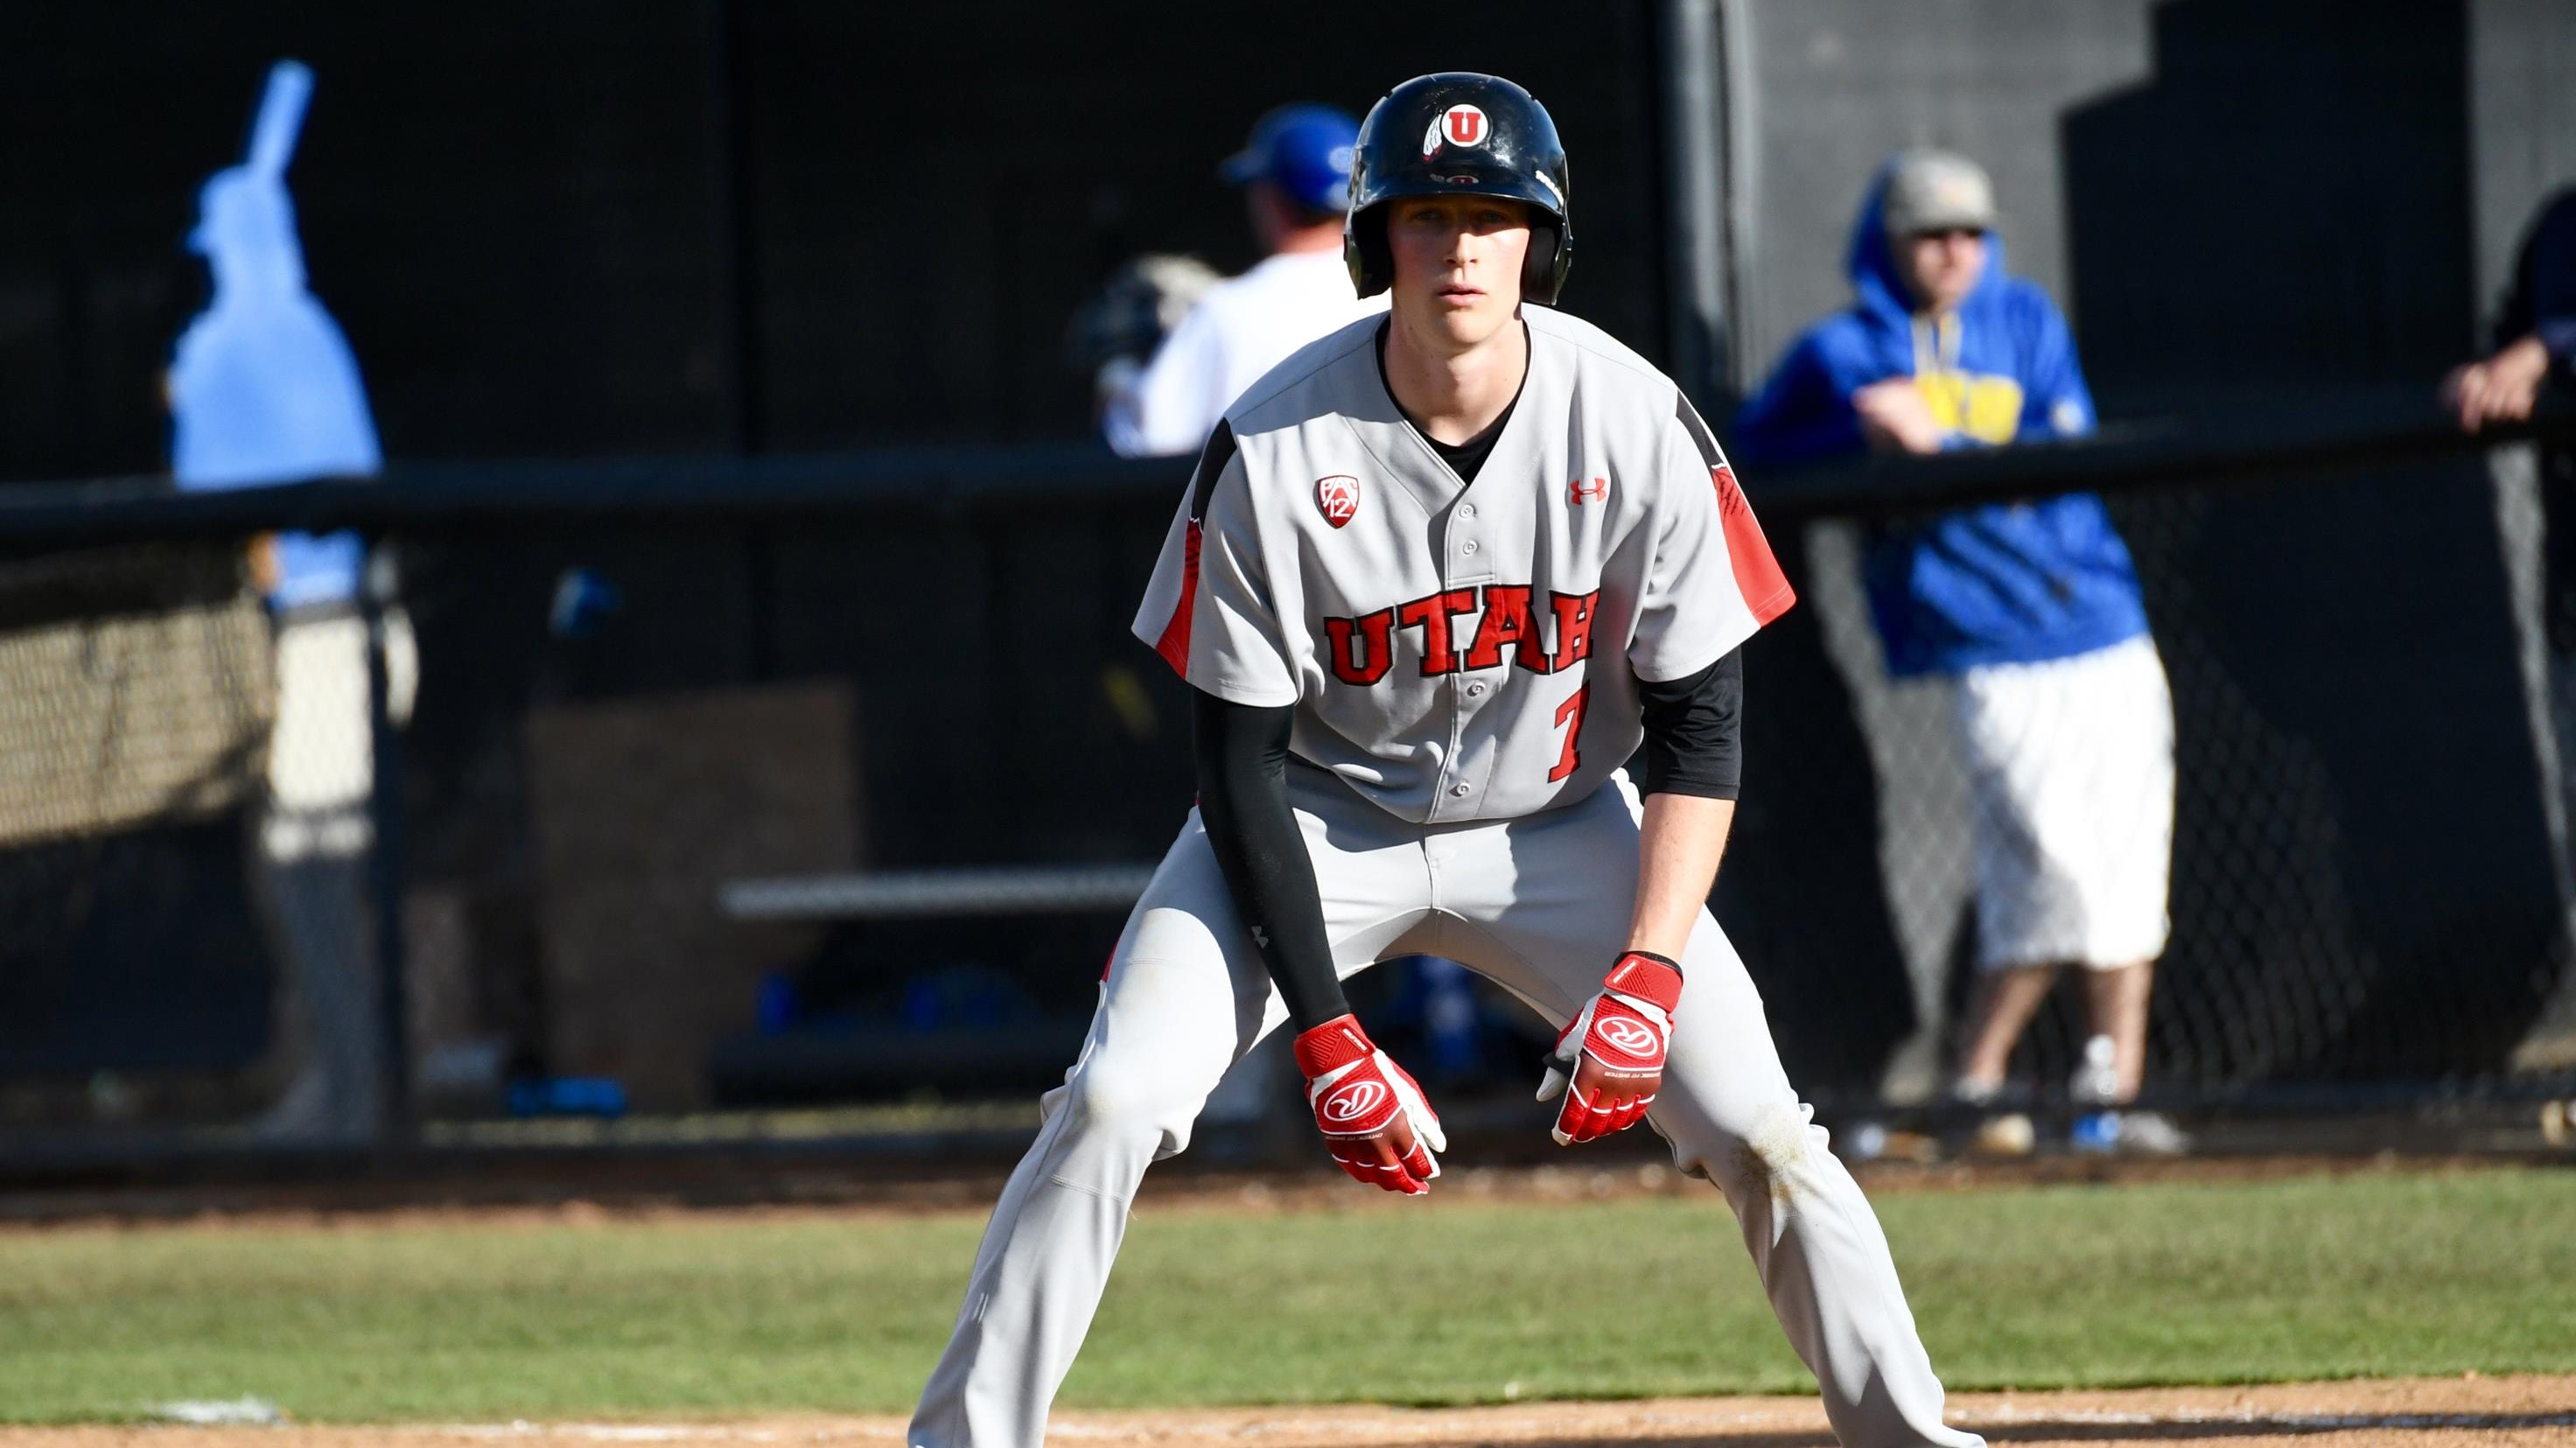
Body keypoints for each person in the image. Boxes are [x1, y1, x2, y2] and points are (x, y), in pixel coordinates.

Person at [911, 74, 1980, 1448]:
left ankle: (1910, 1433)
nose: (1461, 246)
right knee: (1112, 1097)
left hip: (1558, 817)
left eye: (1493, 214)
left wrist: (1649, 966)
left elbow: (1700, 731)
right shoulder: (1275, 440)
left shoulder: (1634, 419)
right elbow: (1233, 769)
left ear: (1542, 239)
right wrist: (1329, 1031)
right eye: (1428, 215)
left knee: (1760, 1121)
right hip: (1312, 814)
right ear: (1375, 242)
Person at [1732, 150, 2184, 1156]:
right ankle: (1975, 1080)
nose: (1954, 253)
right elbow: (1750, 449)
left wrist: (1938, 444)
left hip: (2101, 618)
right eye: (1931, 234)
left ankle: (2106, 1087)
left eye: (1970, 232)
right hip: (1989, 639)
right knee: (2051, 860)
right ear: (1888, 243)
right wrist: (1853, 435)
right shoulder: (1844, 350)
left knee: (2125, 864)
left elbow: (2058, 439)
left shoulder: (2023, 320)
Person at [167, 60, 395, 1144]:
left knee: (311, 875)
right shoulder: (302, 332)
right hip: (329, 633)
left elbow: (211, 491)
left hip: (318, 631)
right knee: (301, 879)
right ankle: (339, 1086)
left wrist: (190, 390)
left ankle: (355, 1101)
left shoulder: (236, 348)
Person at [1101, 102, 1387, 458]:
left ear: (1270, 198)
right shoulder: (1394, 293)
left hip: (1272, 509)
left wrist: (1118, 374)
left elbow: (1147, 438)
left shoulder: (1229, 310)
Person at [2442, 187, 2574, 434]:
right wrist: (2480, 381)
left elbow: (2540, 346)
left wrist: (2547, 347)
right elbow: (2511, 348)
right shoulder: (2565, 222)